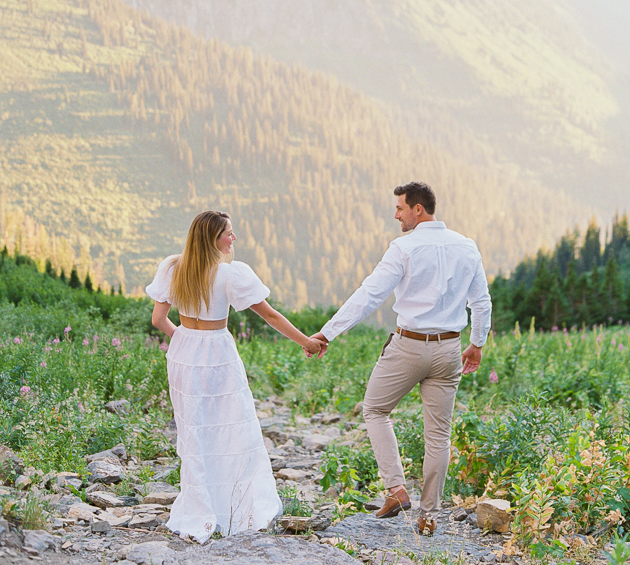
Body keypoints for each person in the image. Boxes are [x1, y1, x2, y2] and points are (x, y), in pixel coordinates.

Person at [308, 182, 491, 536]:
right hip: (450, 348)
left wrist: (326, 332)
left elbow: (369, 295)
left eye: (400, 208)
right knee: (439, 434)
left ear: (418, 209)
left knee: (375, 409)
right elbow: (480, 302)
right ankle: (429, 516)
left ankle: (396, 489)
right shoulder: (467, 246)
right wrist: (476, 343)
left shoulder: (404, 247)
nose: (396, 215)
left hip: (409, 345)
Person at [147, 210, 320, 543]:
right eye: (229, 232)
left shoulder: (172, 268)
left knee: (194, 432)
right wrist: (307, 342)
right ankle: (232, 506)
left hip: (184, 356)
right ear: (215, 239)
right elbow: (269, 315)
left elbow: (158, 320)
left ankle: (200, 506)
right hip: (218, 354)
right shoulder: (229, 275)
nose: (234, 238)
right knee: (232, 428)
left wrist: (184, 339)